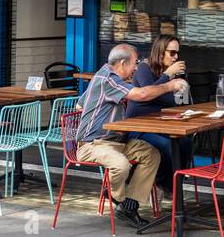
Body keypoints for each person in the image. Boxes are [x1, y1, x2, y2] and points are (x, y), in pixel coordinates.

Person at [75, 43, 186, 226]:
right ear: (121, 63)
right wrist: (169, 85)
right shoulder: (108, 78)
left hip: (117, 141)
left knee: (152, 154)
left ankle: (129, 205)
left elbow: (79, 104)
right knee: (121, 164)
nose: (136, 67)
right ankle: (116, 197)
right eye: (134, 63)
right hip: (93, 144)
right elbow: (141, 94)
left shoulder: (105, 77)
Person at [125, 35, 193, 190]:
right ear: (160, 52)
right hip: (138, 126)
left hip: (160, 124)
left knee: (186, 143)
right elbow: (148, 93)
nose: (176, 57)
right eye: (172, 53)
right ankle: (163, 185)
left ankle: (174, 186)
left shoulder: (171, 72)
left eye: (177, 53)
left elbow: (172, 101)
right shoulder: (144, 68)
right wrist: (167, 76)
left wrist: (181, 89)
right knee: (167, 145)